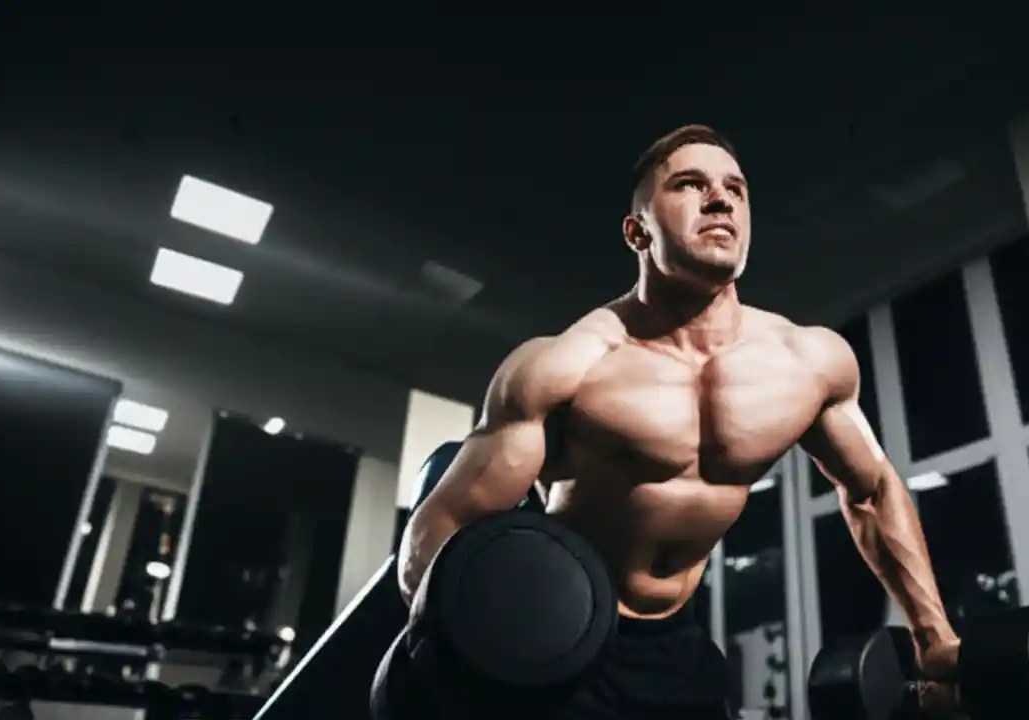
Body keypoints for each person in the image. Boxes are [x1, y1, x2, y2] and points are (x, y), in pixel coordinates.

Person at [397, 124, 961, 718]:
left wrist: (934, 641)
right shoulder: (568, 365)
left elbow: (871, 492)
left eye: (735, 190)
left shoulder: (808, 362)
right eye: (690, 185)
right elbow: (446, 523)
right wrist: (467, 660)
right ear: (637, 231)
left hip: (681, 648)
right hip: (561, 637)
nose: (720, 199)